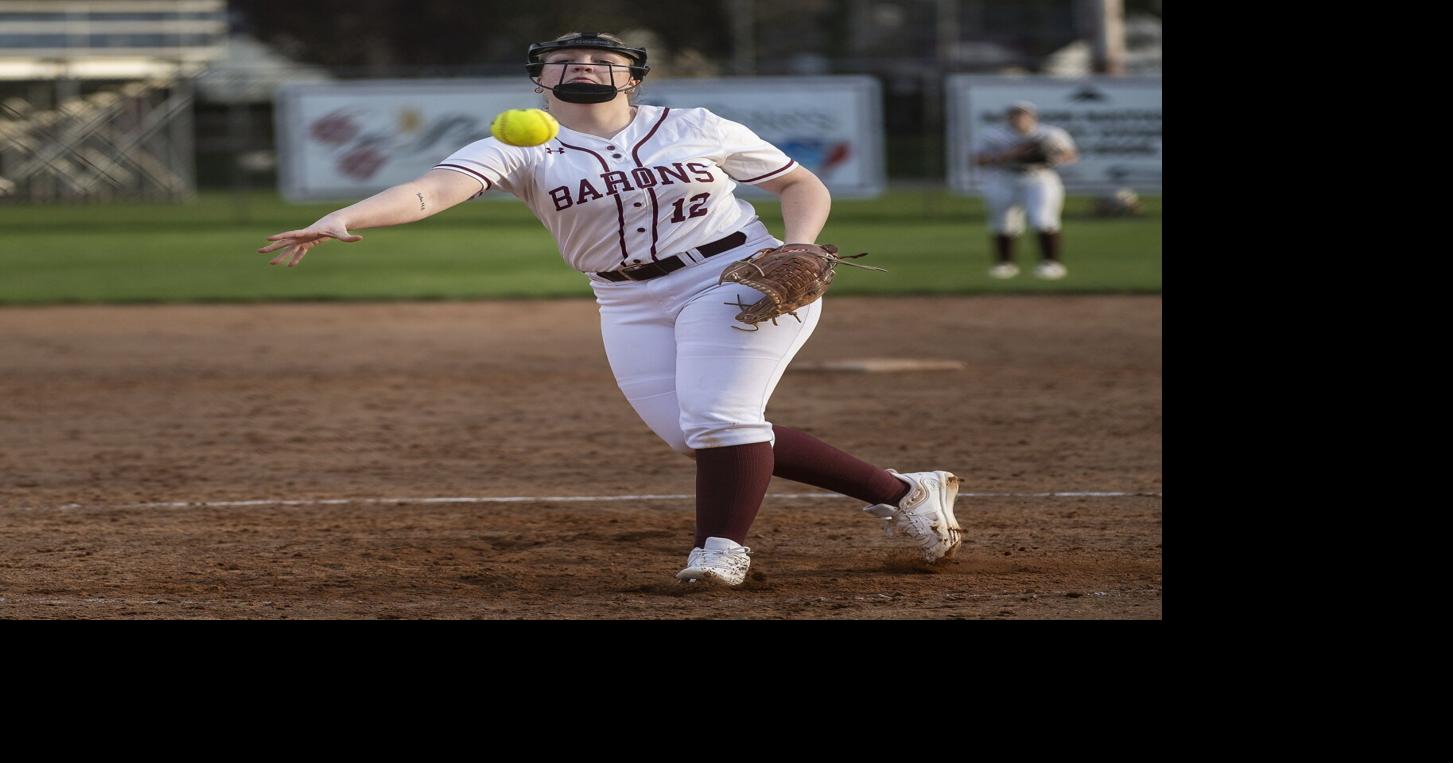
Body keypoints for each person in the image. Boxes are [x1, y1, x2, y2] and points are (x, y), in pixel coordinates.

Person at [257, 32, 963, 586]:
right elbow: (429, 192)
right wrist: (347, 215)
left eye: (604, 58)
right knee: (700, 435)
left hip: (735, 273)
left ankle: (719, 552)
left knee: (721, 420)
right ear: (540, 79)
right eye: (566, 59)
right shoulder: (517, 144)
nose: (585, 66)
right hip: (624, 297)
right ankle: (903, 491)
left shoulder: (694, 124)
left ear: (632, 77)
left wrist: (800, 246)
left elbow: (798, 182)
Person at [973, 101, 1079, 280]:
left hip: (1039, 177)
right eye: (1015, 114)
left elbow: (1070, 154)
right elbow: (978, 160)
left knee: (1043, 218)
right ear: (1008, 117)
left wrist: (1051, 156)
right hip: (1004, 176)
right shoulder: (993, 134)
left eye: (1023, 115)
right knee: (1003, 221)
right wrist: (1012, 155)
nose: (1019, 119)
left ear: (1032, 117)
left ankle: (1051, 264)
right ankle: (1005, 265)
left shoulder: (1049, 134)